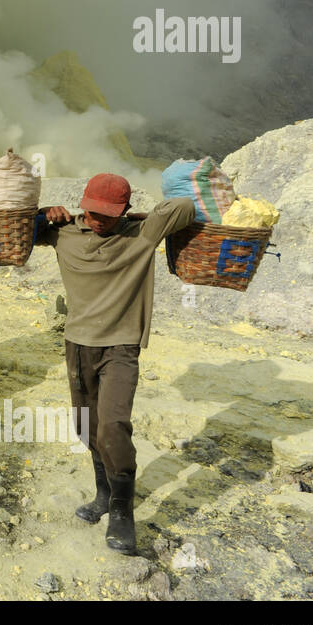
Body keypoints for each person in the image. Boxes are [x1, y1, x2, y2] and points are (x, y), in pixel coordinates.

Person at [34, 174, 195, 555]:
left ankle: (122, 512)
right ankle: (103, 494)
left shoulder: (141, 234)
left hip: (121, 348)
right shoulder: (64, 232)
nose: (97, 219)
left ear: (123, 210)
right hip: (78, 345)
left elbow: (186, 206)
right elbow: (18, 228)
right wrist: (44, 213)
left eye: (107, 213)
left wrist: (144, 216)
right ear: (82, 203)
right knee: (85, 426)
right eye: (91, 211)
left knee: (114, 425)